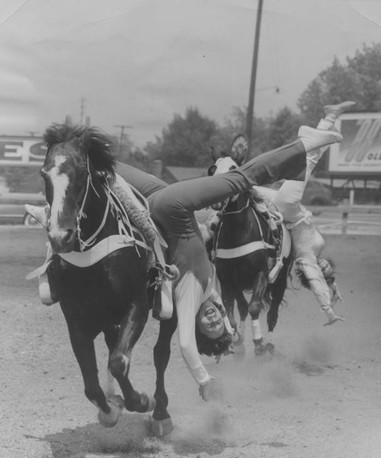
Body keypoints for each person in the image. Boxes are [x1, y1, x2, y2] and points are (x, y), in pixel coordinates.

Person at [28, 125, 342, 400]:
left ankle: (306, 143)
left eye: (210, 328)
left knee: (239, 179)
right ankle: (306, 145)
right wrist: (232, 329)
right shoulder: (212, 293)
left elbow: (186, 344)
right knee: (239, 180)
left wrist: (206, 381)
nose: (213, 321)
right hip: (163, 199)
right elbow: (222, 308)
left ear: (200, 328)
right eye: (219, 324)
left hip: (168, 207)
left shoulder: (190, 295)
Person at [254, 101, 355, 326]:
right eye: (330, 271)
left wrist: (328, 309)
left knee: (308, 161)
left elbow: (317, 284)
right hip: (285, 205)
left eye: (325, 273)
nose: (327, 269)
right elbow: (327, 280)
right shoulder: (317, 255)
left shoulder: (307, 261)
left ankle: (314, 132)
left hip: (289, 207)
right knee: (247, 187)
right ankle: (326, 120)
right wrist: (335, 287)